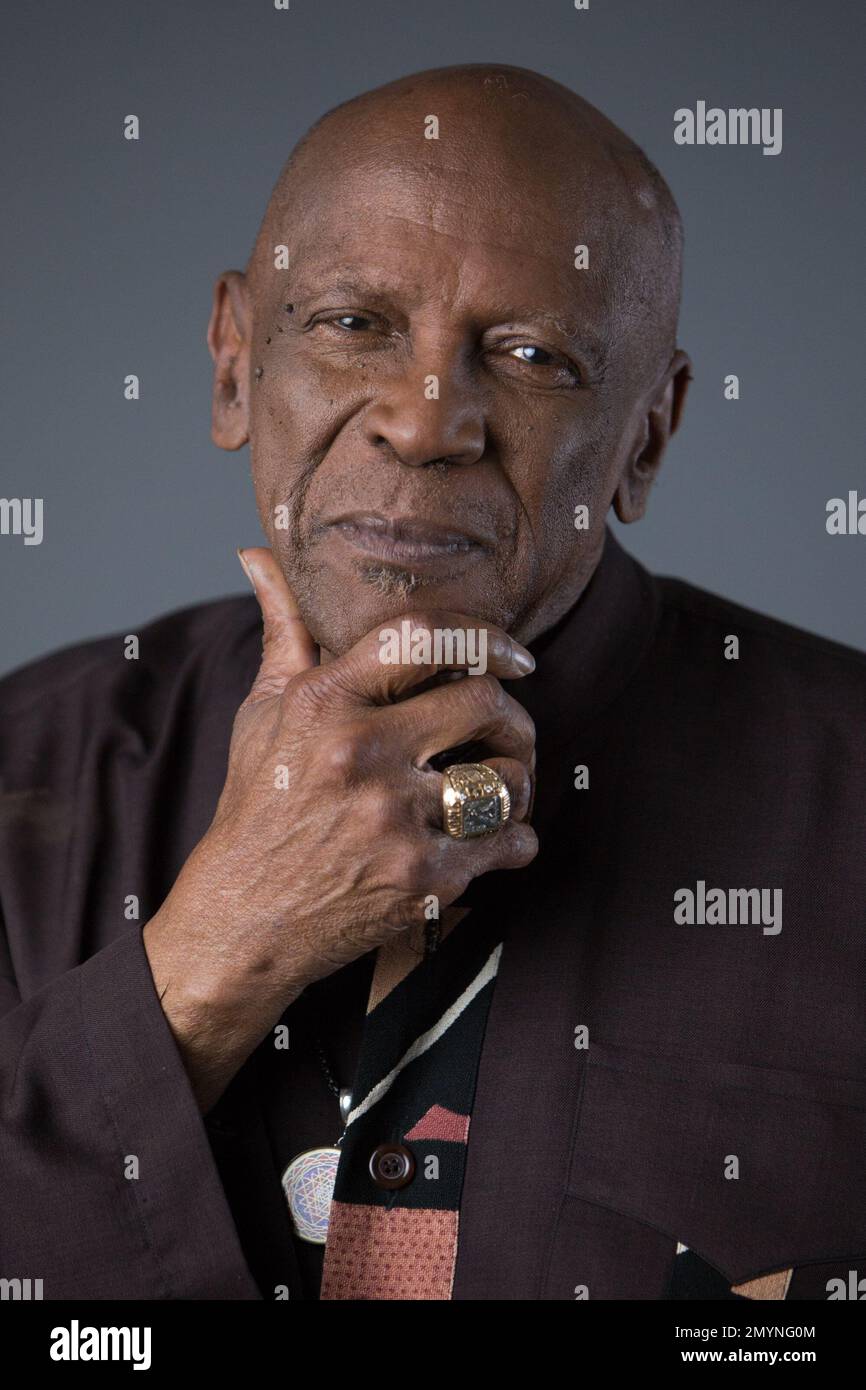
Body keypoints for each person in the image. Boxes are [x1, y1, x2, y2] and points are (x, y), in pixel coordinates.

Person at [1, 64, 864, 1302]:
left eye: (528, 355)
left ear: (645, 438)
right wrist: (214, 956)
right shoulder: (26, 778)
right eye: (353, 325)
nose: (423, 420)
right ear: (236, 363)